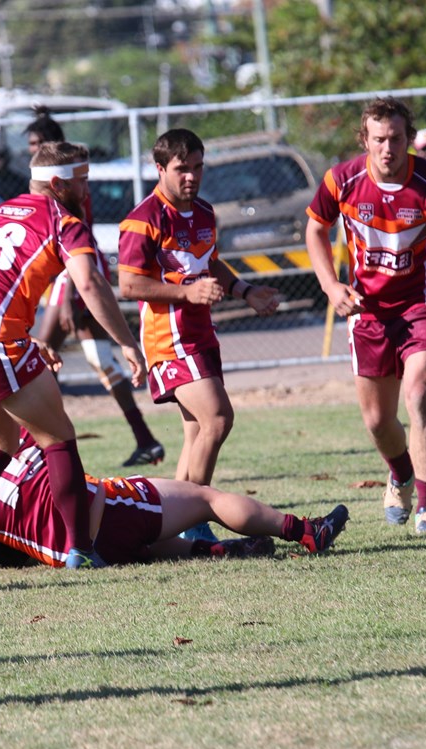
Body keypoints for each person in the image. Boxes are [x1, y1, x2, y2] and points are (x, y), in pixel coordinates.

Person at [0, 141, 145, 574]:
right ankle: (81, 551)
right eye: (82, 182)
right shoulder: (63, 220)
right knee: (58, 438)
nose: (86, 192)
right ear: (59, 184)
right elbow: (89, 284)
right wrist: (125, 340)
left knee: (1, 442)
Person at [305, 98, 426, 534]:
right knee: (377, 421)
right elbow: (314, 229)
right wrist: (331, 286)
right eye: (379, 139)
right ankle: (401, 474)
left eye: (397, 139)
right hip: (367, 310)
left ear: (410, 139)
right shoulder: (341, 180)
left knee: (420, 397)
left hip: (424, 302)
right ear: (364, 140)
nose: (388, 148)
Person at [0, 393, 350, 565]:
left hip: (73, 555)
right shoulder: (15, 430)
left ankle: (213, 549)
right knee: (204, 497)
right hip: (100, 520)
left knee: (143, 540)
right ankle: (306, 531)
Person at [117, 128, 280, 541]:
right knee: (218, 418)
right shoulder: (143, 220)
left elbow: (211, 263)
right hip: (168, 340)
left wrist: (246, 291)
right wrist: (187, 292)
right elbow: (130, 285)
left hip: (201, 337)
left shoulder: (205, 212)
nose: (191, 176)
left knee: (196, 432)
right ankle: (195, 521)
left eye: (197, 167)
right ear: (160, 169)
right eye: (181, 169)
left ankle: (164, 524)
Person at [26, 107, 165, 468]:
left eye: (38, 143)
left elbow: (72, 244)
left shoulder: (68, 186)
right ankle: (145, 439)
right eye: (30, 144)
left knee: (34, 363)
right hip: (73, 273)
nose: (32, 150)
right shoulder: (52, 184)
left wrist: (70, 296)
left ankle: (35, 450)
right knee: (98, 360)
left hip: (71, 275)